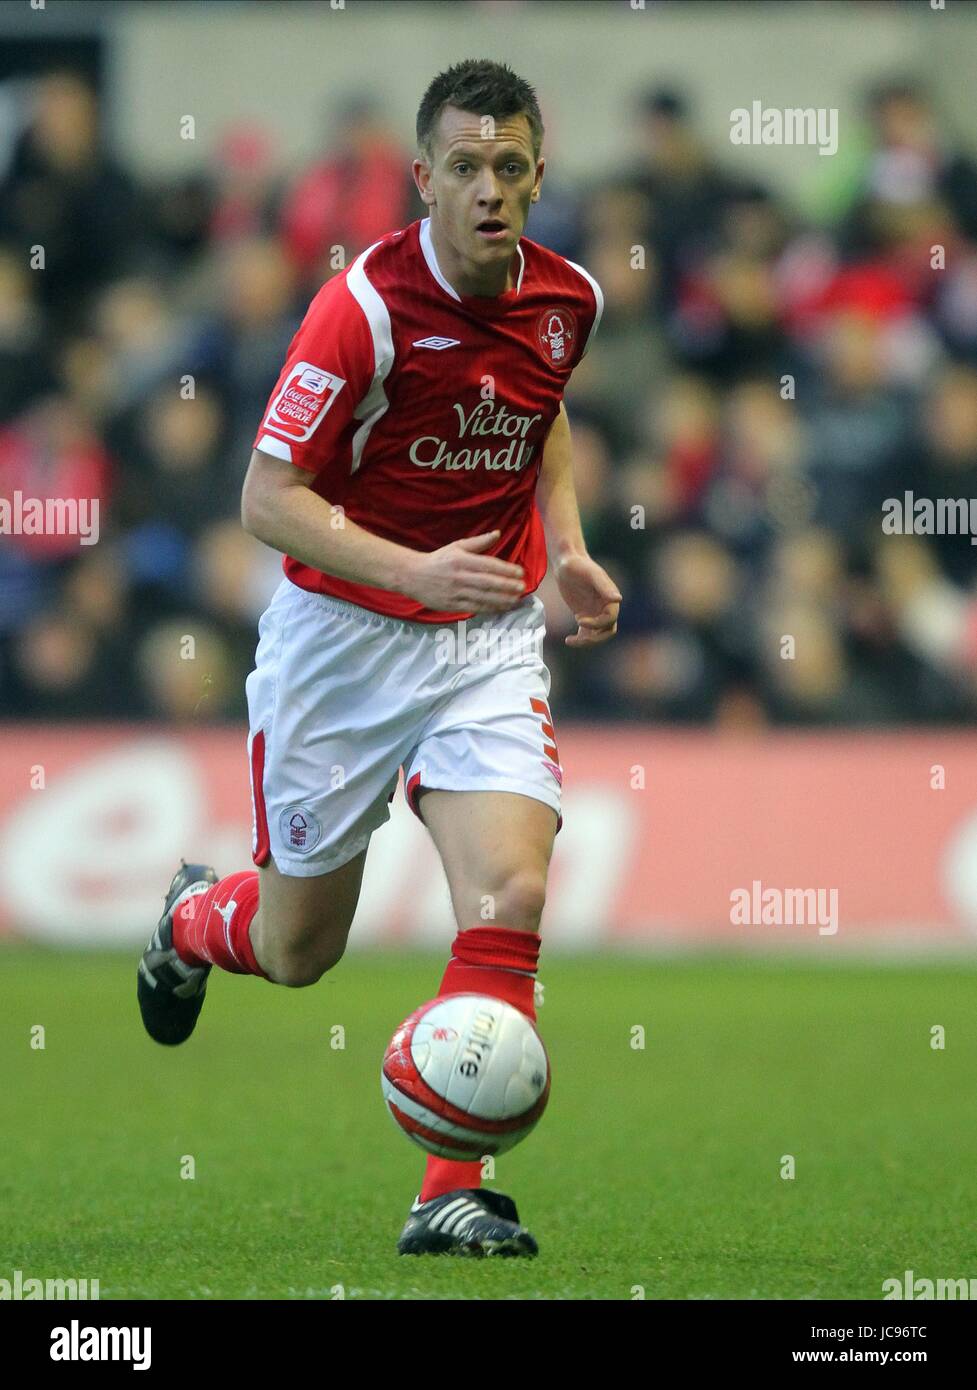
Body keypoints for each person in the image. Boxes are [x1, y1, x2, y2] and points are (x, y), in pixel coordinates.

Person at [137, 59, 621, 1258]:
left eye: (509, 167)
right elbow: (264, 496)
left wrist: (564, 546)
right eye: (464, 167)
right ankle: (194, 918)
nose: (489, 189)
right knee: (300, 950)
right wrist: (408, 571)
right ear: (423, 179)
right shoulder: (358, 308)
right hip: (342, 644)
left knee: (508, 892)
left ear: (536, 176)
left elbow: (538, 403)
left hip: (485, 636)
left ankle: (447, 1188)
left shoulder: (568, 298)